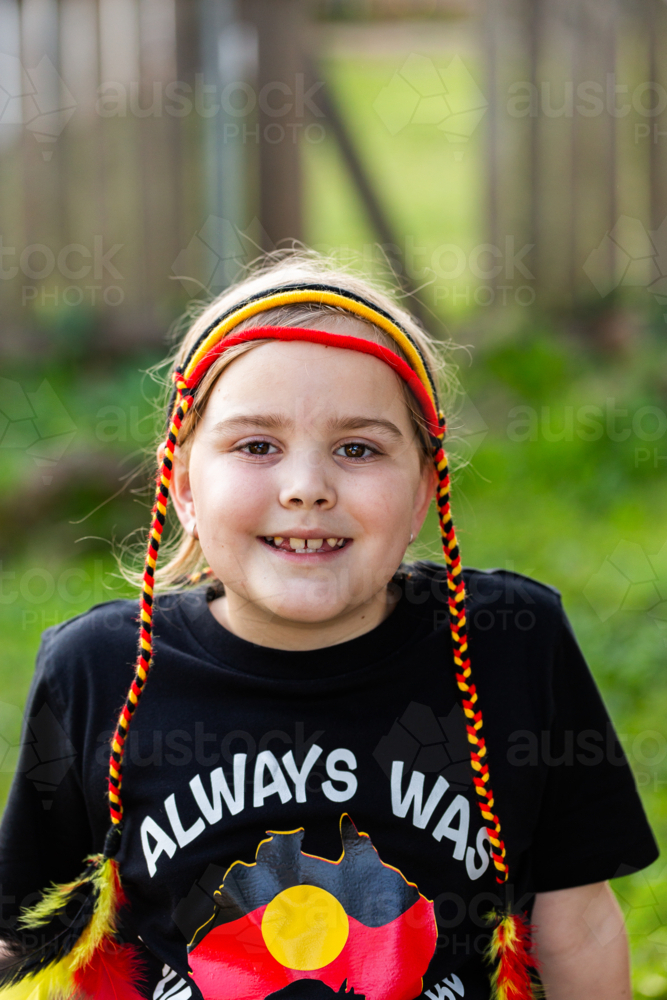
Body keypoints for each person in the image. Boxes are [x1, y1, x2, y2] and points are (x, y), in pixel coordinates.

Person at [0, 253, 658, 1000]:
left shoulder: (509, 647)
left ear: (422, 490)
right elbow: (22, 929)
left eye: (358, 448)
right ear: (182, 486)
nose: (306, 487)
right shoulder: (102, 670)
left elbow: (576, 920)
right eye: (256, 445)